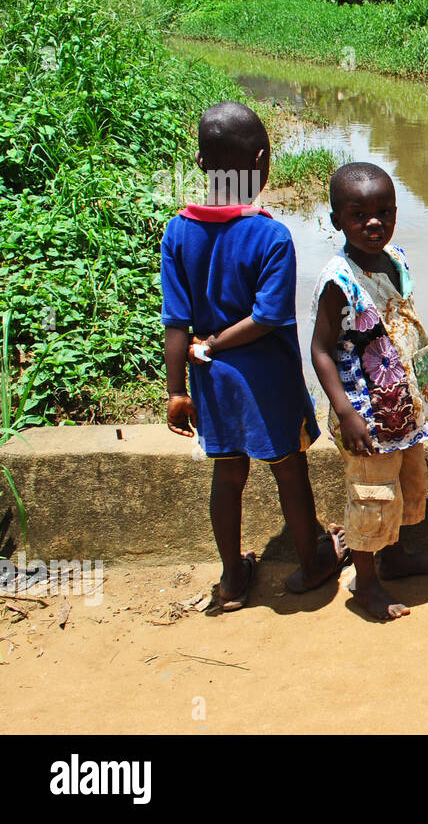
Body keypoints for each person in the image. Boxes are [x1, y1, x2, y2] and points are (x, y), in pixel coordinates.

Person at [162, 101, 349, 612]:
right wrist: (220, 342)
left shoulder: (178, 232)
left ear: (201, 163)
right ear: (264, 160)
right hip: (266, 379)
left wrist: (177, 390)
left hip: (212, 381)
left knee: (228, 475)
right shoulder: (270, 235)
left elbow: (176, 322)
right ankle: (313, 564)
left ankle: (230, 580)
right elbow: (267, 317)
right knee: (290, 470)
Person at [310, 162, 428, 621]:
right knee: (371, 497)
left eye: (384, 212)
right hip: (365, 417)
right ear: (337, 221)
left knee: (409, 488)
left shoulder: (397, 260)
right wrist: (346, 412)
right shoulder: (339, 281)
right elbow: (321, 351)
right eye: (359, 214)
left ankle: (395, 557)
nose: (374, 223)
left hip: (404, 413)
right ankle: (364, 583)